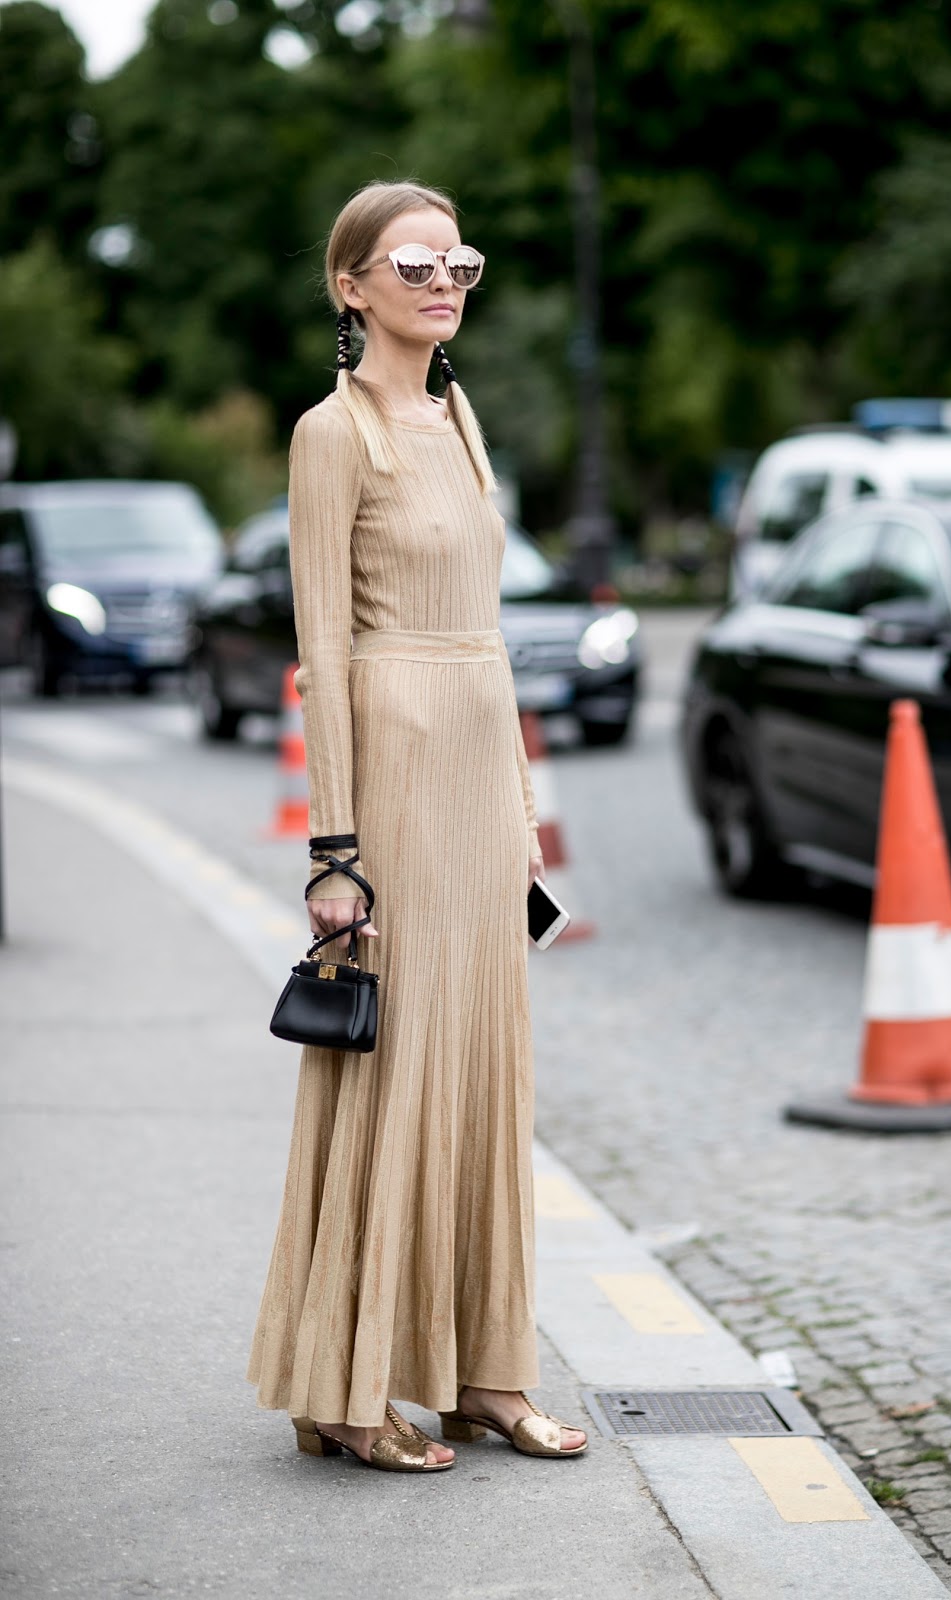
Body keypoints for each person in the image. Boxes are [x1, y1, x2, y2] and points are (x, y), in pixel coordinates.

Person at [247, 180, 587, 1472]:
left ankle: (486, 1375)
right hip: (389, 767)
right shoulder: (332, 435)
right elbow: (321, 651)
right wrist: (334, 849)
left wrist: (521, 821)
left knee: (488, 1078)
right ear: (351, 286)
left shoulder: (460, 414)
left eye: (460, 264)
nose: (443, 283)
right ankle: (342, 1389)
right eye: (414, 264)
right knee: (391, 1077)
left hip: (476, 778)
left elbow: (488, 637)